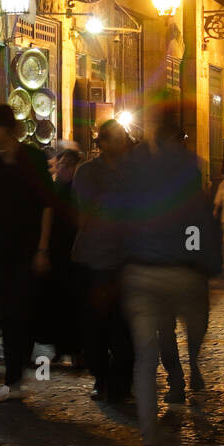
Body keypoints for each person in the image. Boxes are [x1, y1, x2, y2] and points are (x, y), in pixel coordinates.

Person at [118, 103, 222, 446]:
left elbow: (121, 218)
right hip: (180, 267)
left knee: (145, 359)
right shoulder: (189, 167)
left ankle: (151, 440)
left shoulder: (134, 166)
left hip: (142, 270)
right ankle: (190, 371)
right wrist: (206, 259)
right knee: (194, 329)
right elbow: (197, 219)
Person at [0, 104, 55, 401]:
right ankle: (13, 380)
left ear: (4, 129)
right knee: (8, 313)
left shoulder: (33, 158)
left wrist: (43, 248)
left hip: (28, 247)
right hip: (3, 249)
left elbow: (47, 205)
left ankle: (19, 375)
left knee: (23, 312)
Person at [72, 121, 134, 403]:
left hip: (129, 257)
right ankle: (100, 376)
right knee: (97, 323)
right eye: (116, 139)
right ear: (103, 143)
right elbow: (83, 213)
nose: (122, 144)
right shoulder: (87, 172)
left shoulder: (136, 171)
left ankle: (122, 383)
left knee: (126, 325)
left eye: (124, 139)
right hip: (96, 256)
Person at [38, 147, 82, 365]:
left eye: (68, 165)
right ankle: (60, 348)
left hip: (74, 252)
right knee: (57, 302)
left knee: (74, 303)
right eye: (61, 164)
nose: (63, 169)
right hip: (57, 252)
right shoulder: (54, 188)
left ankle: (76, 350)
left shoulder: (79, 190)